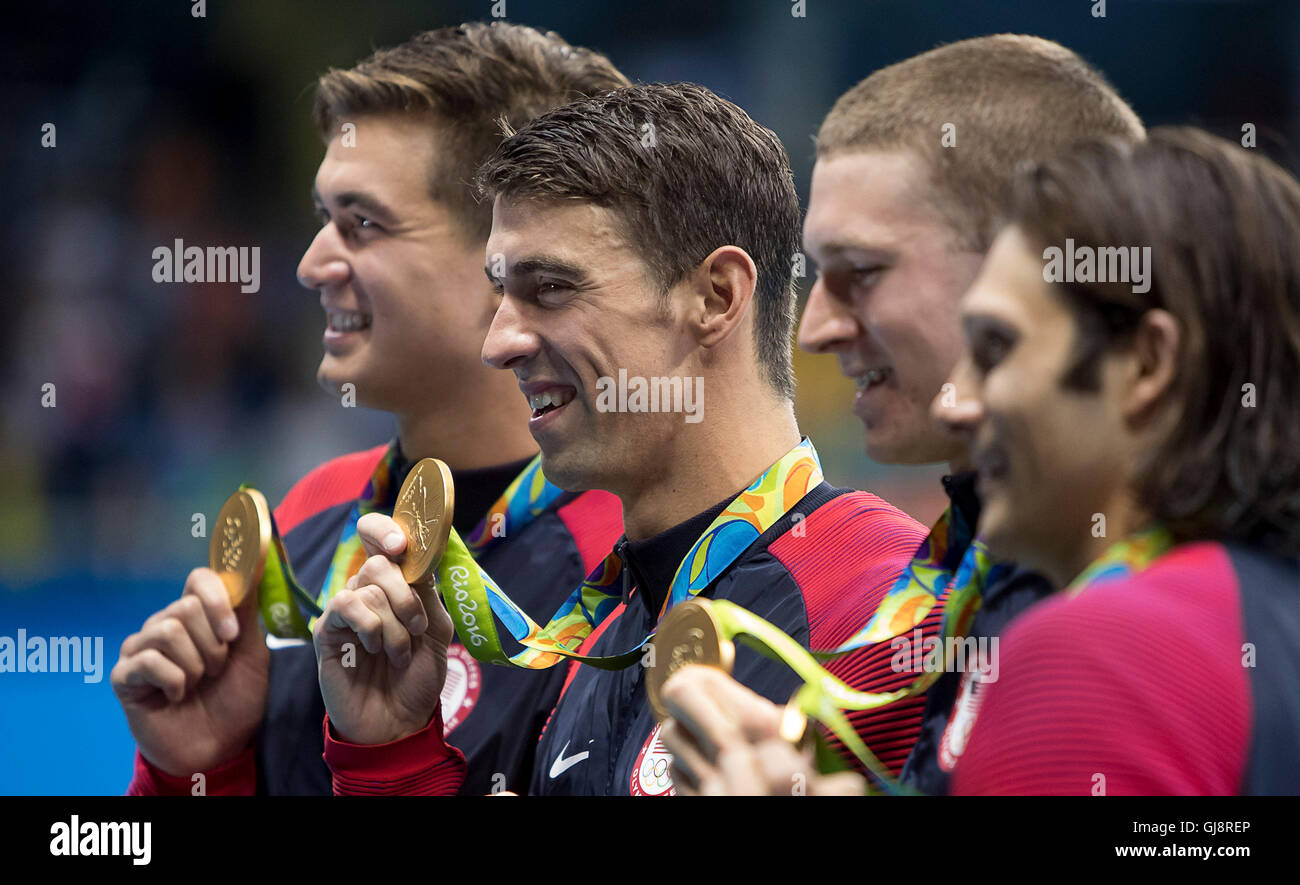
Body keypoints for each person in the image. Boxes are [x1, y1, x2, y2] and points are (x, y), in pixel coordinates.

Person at [309, 82, 934, 796]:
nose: (499, 342)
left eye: (550, 288)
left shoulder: (888, 611)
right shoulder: (597, 645)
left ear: (716, 297)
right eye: (500, 293)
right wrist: (392, 755)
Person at [665, 127, 1300, 796]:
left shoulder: (1095, 653)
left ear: (1146, 364)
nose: (956, 404)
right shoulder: (1262, 619)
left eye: (996, 349)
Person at [111, 22, 629, 797]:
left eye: (361, 224)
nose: (312, 262)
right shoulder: (312, 516)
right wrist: (197, 771)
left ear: (510, 254)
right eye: (323, 219)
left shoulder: (633, 552)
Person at [662, 34, 1144, 794]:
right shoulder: (979, 568)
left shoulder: (1137, 603)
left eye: (863, 273)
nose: (816, 328)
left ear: (1028, 264)